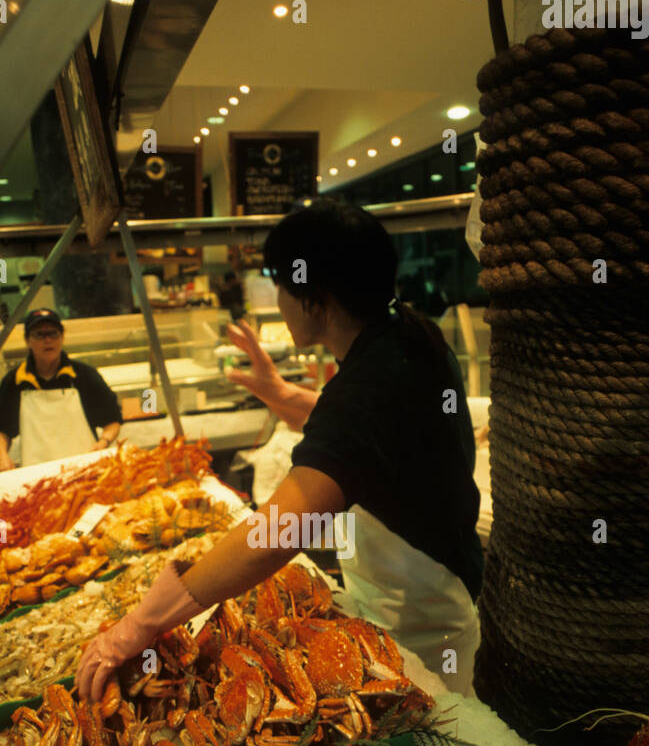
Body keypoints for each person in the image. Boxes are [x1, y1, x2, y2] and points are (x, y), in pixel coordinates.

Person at [76, 199, 483, 702]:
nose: (278, 301)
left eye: (283, 287)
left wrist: (142, 621)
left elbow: (281, 533)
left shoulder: (365, 387)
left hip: (422, 624)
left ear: (314, 300)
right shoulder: (408, 332)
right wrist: (283, 394)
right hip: (419, 597)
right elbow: (370, 443)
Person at [0, 309, 121, 470]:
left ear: (62, 337)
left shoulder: (84, 375)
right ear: (27, 340)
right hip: (36, 474)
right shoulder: (15, 381)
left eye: (53, 334)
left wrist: (104, 442)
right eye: (40, 334)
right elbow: (1, 429)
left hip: (86, 469)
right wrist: (2, 457)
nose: (48, 340)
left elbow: (113, 419)